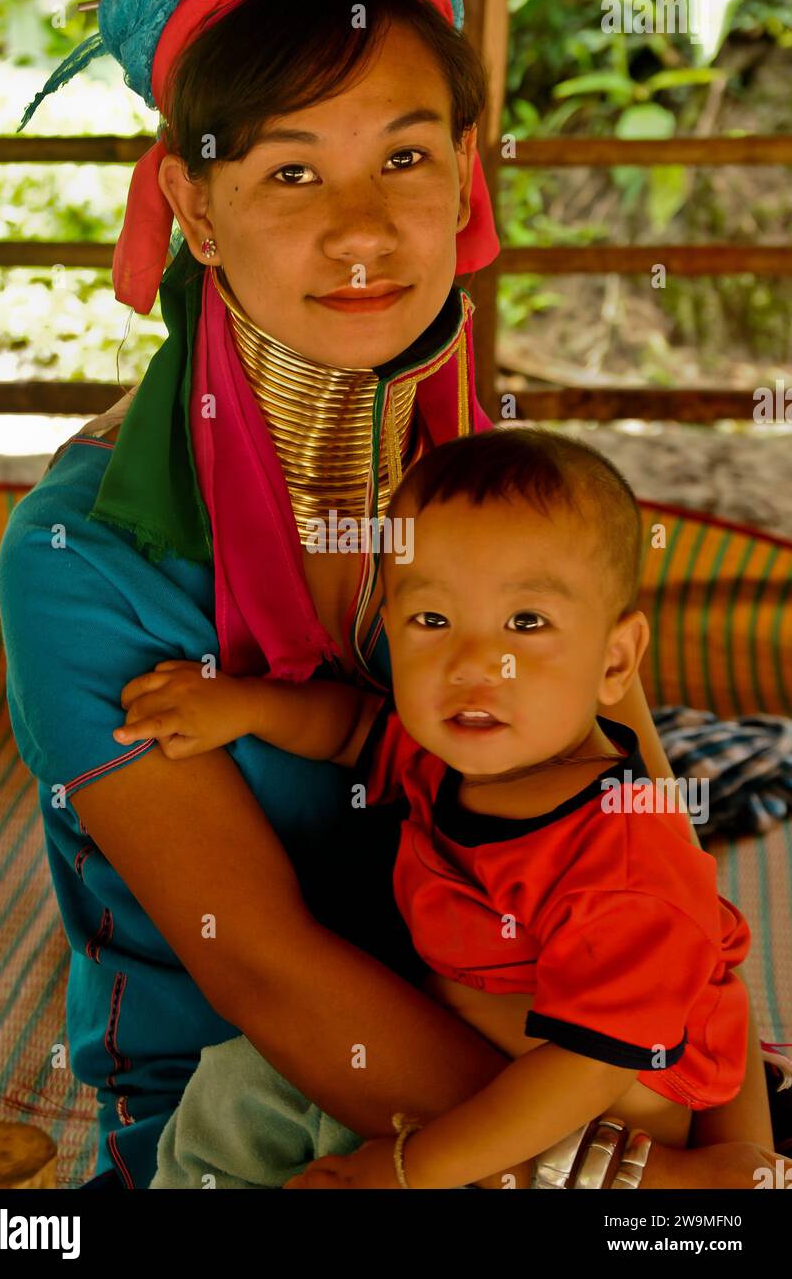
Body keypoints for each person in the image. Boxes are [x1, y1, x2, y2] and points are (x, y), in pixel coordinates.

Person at [0, 0, 779, 1190]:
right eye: (289, 169)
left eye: (403, 157)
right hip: (254, 1115)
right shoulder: (80, 559)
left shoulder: (500, 495)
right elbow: (262, 962)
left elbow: (648, 851)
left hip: (552, 1078)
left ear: (464, 166)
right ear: (191, 204)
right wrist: (640, 1181)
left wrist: (735, 1146)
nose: (361, 232)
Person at [117, 427, 754, 1188]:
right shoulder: (452, 758)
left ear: (615, 659)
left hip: (585, 1134)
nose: (474, 664)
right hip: (456, 1081)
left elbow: (587, 1065)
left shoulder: (618, 850)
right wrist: (246, 705)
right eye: (432, 622)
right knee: (232, 1094)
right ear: (390, 630)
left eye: (525, 623)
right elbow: (354, 730)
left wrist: (406, 1172)